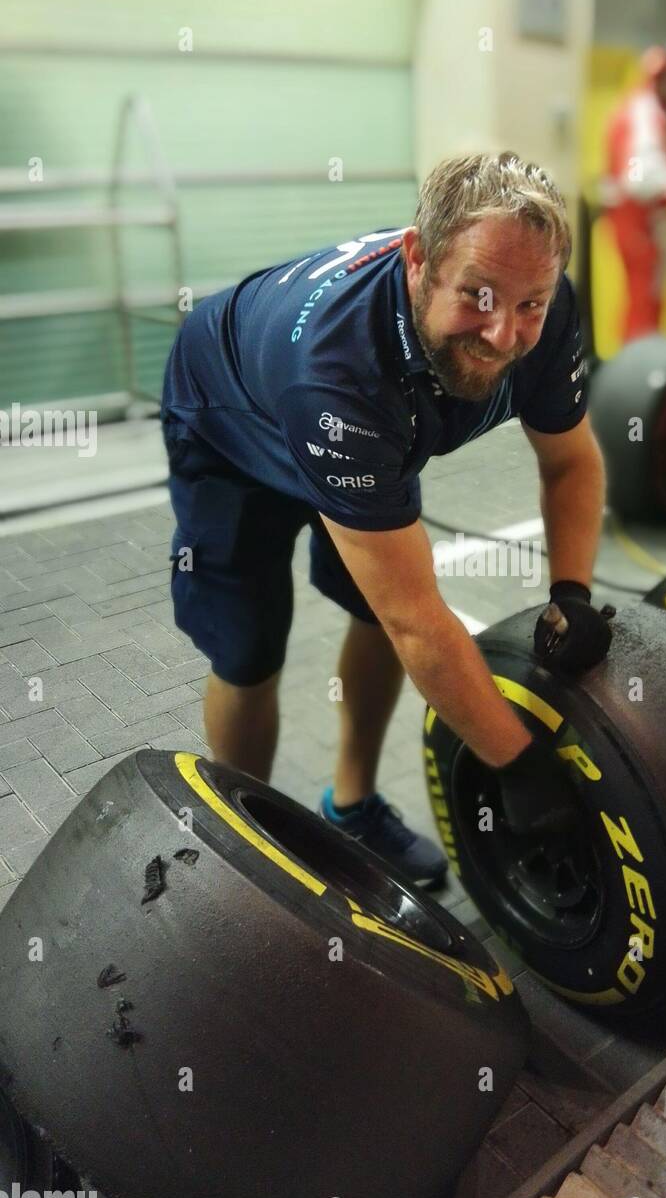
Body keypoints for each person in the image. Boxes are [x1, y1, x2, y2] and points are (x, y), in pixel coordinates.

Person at [161, 151, 613, 887]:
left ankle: (352, 805)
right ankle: (247, 843)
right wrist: (522, 767)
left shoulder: (548, 306)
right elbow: (419, 620)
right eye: (478, 295)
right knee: (249, 650)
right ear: (417, 260)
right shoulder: (337, 375)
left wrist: (573, 594)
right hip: (232, 423)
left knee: (370, 609)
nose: (504, 334)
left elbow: (570, 461)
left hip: (359, 421)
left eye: (529, 303)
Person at [603, 34, 666, 341]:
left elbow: (653, 160)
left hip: (644, 223)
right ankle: (637, 372)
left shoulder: (649, 110)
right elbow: (640, 179)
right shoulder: (644, 112)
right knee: (643, 303)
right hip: (636, 223)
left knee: (648, 300)